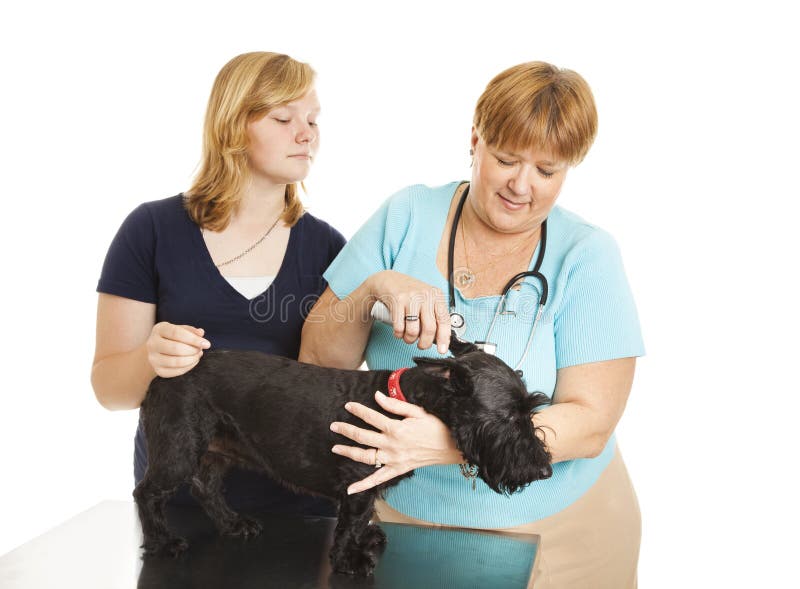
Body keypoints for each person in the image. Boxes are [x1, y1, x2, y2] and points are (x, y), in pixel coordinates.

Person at [299, 61, 644, 587]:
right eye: (506, 159)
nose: (521, 185)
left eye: (547, 171)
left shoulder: (586, 256)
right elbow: (320, 363)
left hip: (562, 526)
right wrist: (372, 288)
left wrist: (446, 444)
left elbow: (592, 423)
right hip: (402, 516)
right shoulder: (406, 215)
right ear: (475, 141)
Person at [92, 52, 345, 516]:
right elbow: (110, 390)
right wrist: (151, 357)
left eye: (313, 119)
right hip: (181, 508)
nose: (306, 134)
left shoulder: (329, 248)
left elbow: (334, 386)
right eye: (284, 118)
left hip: (300, 512)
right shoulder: (150, 231)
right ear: (232, 127)